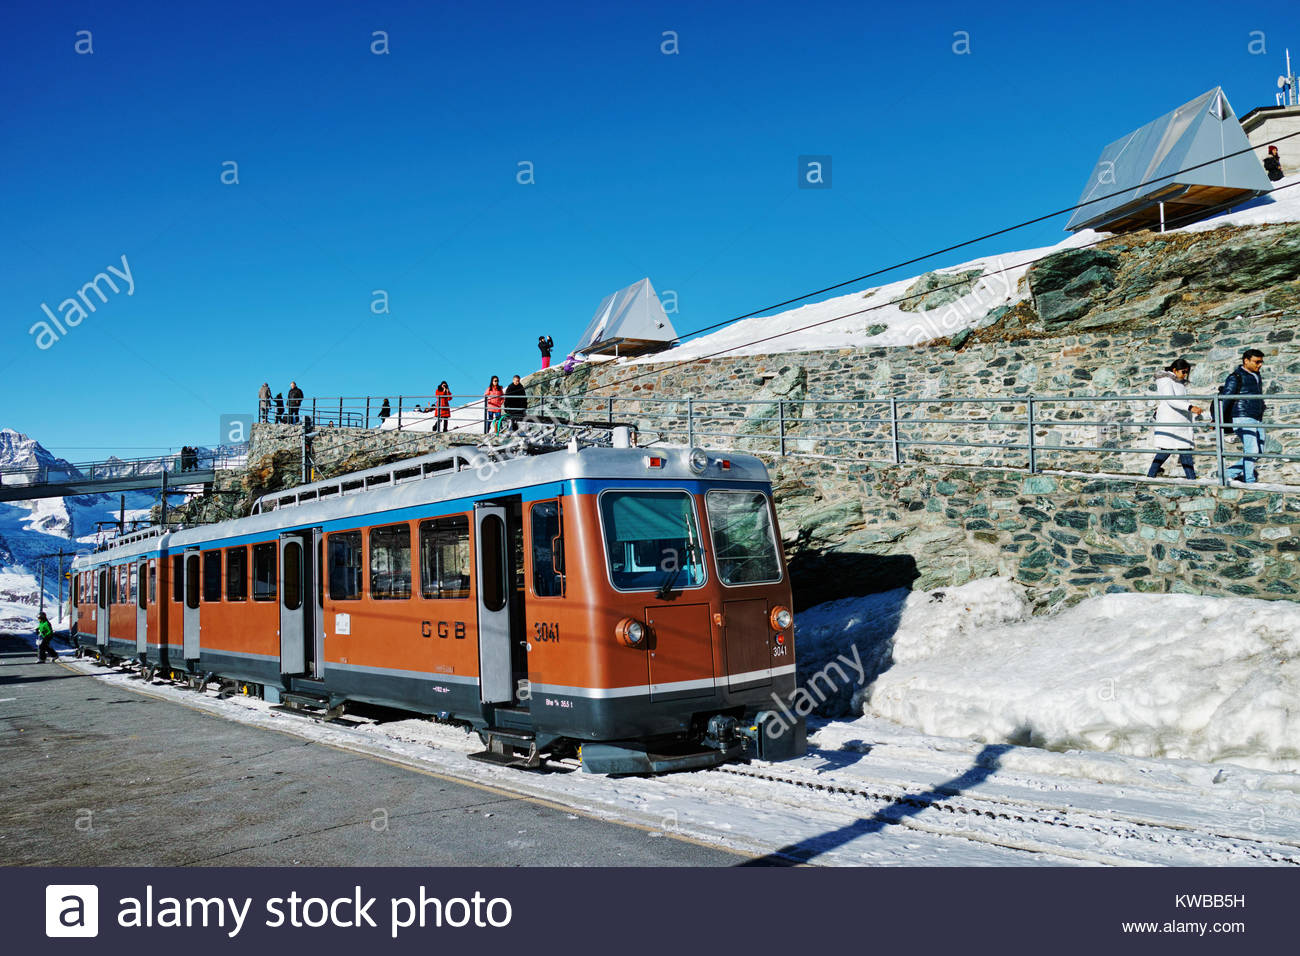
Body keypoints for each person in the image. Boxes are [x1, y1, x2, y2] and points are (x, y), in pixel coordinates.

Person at [1146, 358, 1202, 480]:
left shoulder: (1179, 382)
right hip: (1170, 421)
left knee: (1185, 449)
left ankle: (1191, 478)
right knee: (1167, 449)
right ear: (1175, 370)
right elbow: (1170, 399)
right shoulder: (1165, 381)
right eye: (1183, 371)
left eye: (1187, 372)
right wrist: (1190, 407)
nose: (1185, 374)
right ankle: (1151, 475)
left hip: (1180, 421)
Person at [1222, 349, 1267, 484]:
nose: (1259, 365)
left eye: (1261, 362)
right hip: (1242, 416)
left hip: (1256, 417)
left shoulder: (1256, 375)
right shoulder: (1235, 377)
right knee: (1252, 450)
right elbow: (1225, 398)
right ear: (1246, 361)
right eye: (1256, 362)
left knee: (1259, 451)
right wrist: (1217, 419)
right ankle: (1249, 481)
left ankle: (1228, 474)